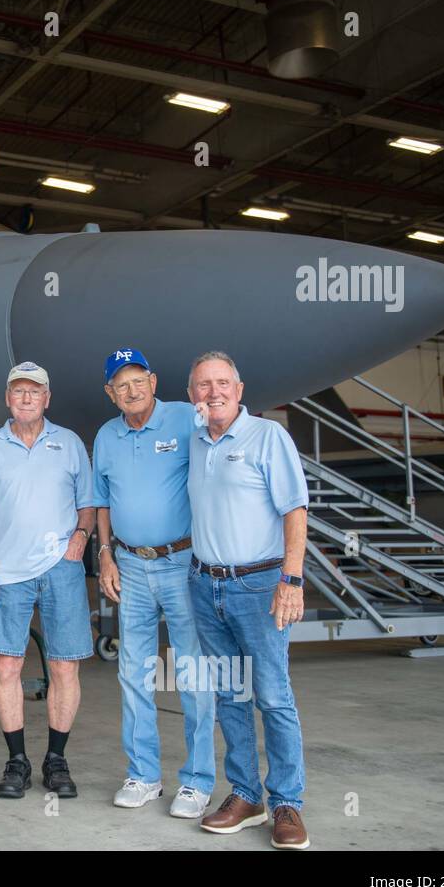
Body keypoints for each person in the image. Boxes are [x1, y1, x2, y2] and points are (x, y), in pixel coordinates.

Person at [186, 351, 311, 850]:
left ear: (239, 389)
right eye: (202, 385)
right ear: (191, 395)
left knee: (274, 696)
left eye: (221, 383)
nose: (212, 392)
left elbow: (295, 510)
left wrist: (292, 579)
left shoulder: (268, 437)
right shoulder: (195, 442)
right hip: (205, 585)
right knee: (229, 696)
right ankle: (244, 795)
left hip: (259, 587)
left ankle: (287, 802)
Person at [0, 362, 95, 799]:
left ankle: (56, 760)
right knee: (7, 665)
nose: (27, 398)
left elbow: (88, 502)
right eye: (18, 391)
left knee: (63, 664)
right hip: (6, 573)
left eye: (35, 391)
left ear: (47, 398)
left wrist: (81, 537)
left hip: (61, 568)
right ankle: (16, 760)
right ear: (8, 398)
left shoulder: (70, 444)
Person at [93, 348, 215, 817]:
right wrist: (105, 555)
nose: (131, 390)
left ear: (153, 380)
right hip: (130, 565)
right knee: (134, 673)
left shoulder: (186, 418)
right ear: (110, 393)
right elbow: (101, 500)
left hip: (182, 562)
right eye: (120, 385)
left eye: (137, 380)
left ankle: (198, 781)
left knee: (193, 672)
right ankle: (143, 776)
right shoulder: (106, 435)